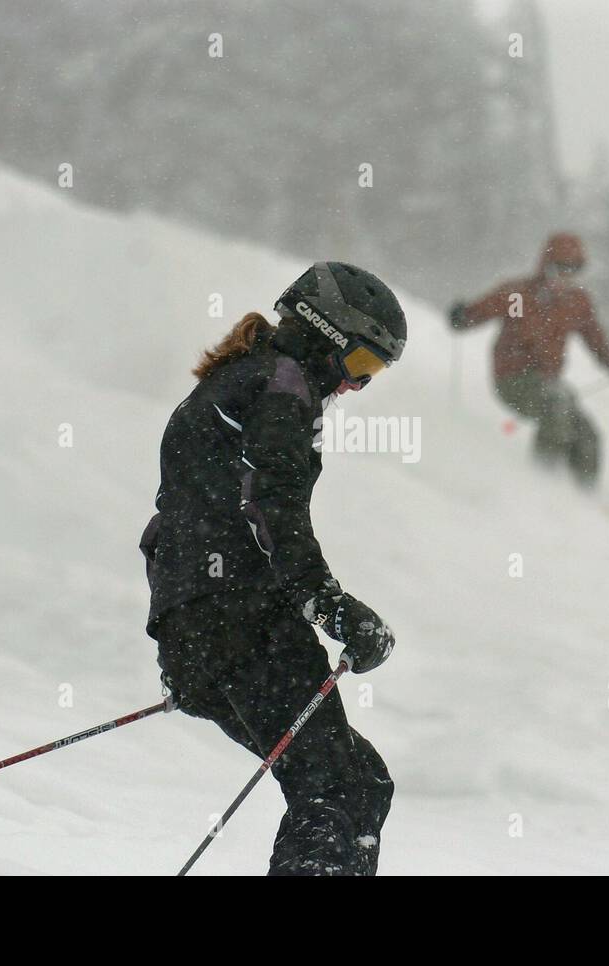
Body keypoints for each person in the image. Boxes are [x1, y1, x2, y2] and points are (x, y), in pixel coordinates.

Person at [140, 262, 405, 876]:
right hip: (244, 623)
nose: (355, 387)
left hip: (198, 626)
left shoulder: (236, 381)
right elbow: (272, 505)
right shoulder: (283, 388)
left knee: (357, 780)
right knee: (339, 789)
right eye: (361, 365)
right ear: (326, 333)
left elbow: (175, 520)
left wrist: (184, 641)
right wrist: (329, 604)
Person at [449, 232, 609, 487]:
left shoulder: (576, 303)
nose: (565, 278)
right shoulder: (519, 295)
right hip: (513, 379)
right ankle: (542, 485)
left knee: (587, 434)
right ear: (545, 267)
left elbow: (594, 336)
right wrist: (463, 317)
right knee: (556, 412)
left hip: (548, 381)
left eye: (573, 271)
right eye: (560, 269)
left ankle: (586, 495)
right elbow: (483, 311)